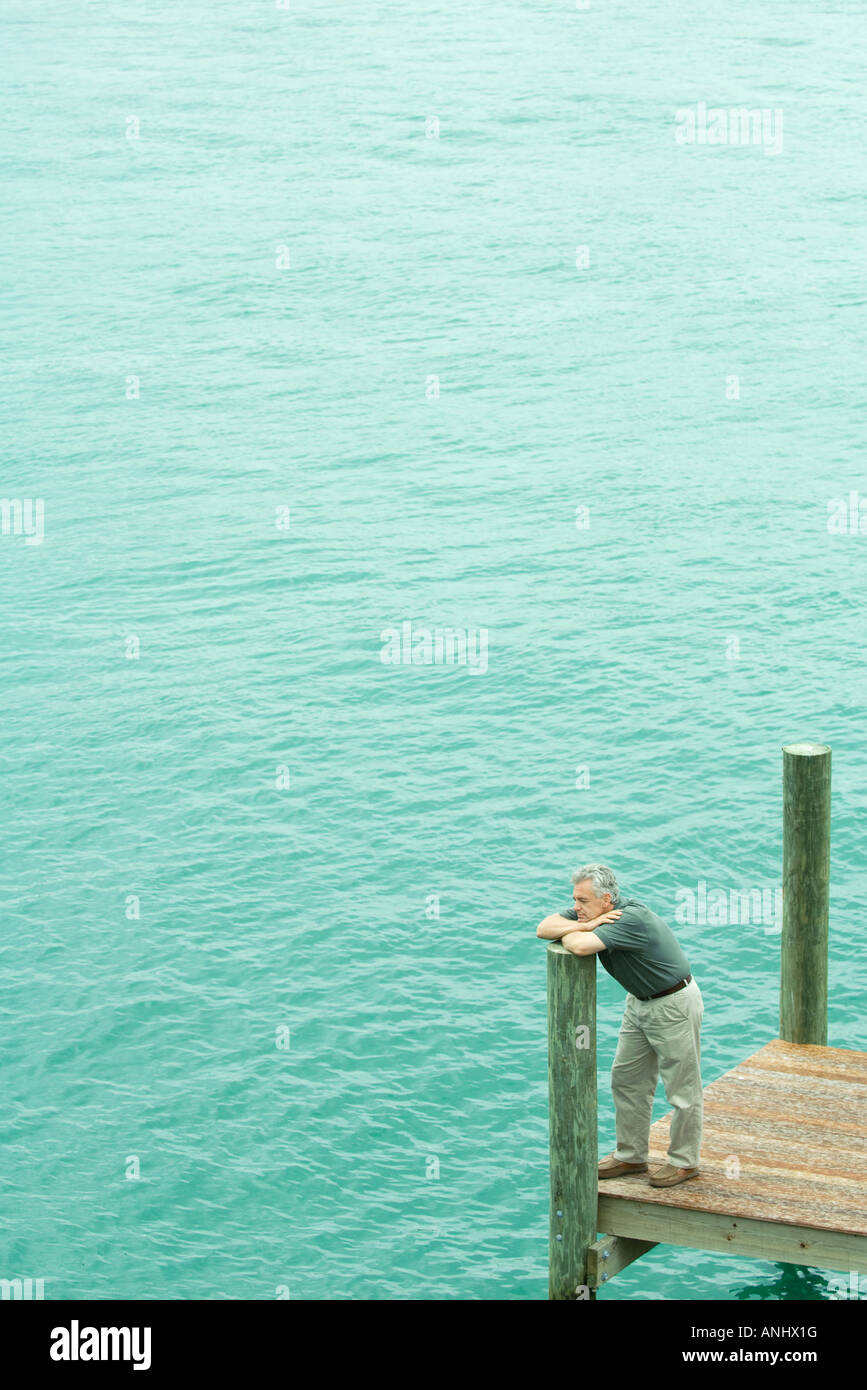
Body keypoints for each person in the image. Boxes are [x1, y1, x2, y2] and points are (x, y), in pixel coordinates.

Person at [537, 863, 703, 1187]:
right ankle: (631, 1156)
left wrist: (585, 929)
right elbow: (544, 928)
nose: (575, 907)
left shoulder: (630, 919)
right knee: (626, 1079)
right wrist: (591, 922)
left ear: (607, 899)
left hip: (673, 1004)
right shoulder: (595, 915)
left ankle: (685, 1162)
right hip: (639, 1003)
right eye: (575, 900)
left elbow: (580, 946)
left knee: (682, 1089)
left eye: (582, 901)